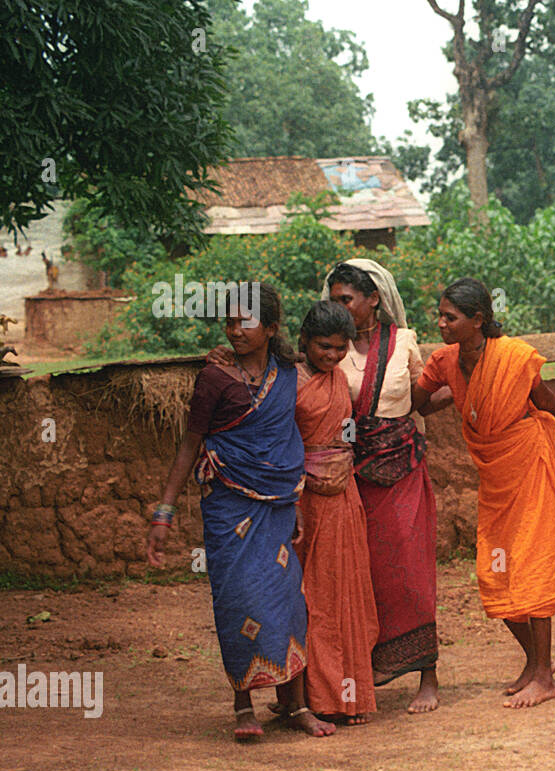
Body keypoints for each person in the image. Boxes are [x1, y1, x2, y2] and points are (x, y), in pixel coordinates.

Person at [146, 284, 333, 740]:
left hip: (278, 506)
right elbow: (191, 442)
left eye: (244, 322)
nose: (234, 330)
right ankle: (243, 706)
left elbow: (290, 437)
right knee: (237, 600)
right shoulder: (213, 378)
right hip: (228, 508)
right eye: (228, 322)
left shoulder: (289, 373)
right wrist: (164, 512)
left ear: (270, 329)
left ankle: (297, 706)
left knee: (288, 601)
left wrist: (295, 501)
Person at [413, 277, 555, 708]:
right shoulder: (445, 361)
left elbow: (544, 399)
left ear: (478, 320)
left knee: (532, 562)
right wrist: (453, 393)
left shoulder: (513, 356)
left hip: (527, 459)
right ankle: (534, 661)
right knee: (493, 569)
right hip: (494, 471)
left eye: (451, 317)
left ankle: (545, 676)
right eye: (441, 315)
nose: (442, 323)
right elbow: (419, 402)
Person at [326, 259, 440, 714]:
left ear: (373, 299)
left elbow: (423, 401)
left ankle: (427, 675)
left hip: (402, 471)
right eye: (333, 300)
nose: (339, 307)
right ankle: (356, 674)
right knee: (359, 574)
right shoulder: (330, 349)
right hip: (349, 475)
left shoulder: (404, 344)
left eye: (346, 299)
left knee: (409, 572)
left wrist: (481, 380)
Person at [293, 301, 380, 725]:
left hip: (344, 498)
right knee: (315, 599)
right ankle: (318, 698)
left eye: (340, 348)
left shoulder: (341, 379)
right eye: (323, 347)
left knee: (349, 594)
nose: (331, 355)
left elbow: (347, 430)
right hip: (304, 501)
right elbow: (284, 442)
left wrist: (342, 459)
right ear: (305, 341)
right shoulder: (289, 382)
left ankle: (353, 696)